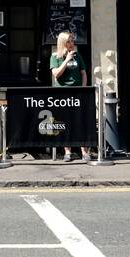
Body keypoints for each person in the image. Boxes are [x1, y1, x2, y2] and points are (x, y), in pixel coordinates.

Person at [49, 32, 88, 162]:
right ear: (63, 43)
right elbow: (56, 75)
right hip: (62, 93)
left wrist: (83, 88)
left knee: (80, 121)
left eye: (73, 41)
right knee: (65, 122)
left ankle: (84, 151)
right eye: (70, 41)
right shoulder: (55, 56)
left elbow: (83, 73)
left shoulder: (78, 55)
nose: (73, 43)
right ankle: (67, 151)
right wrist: (66, 60)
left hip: (77, 92)